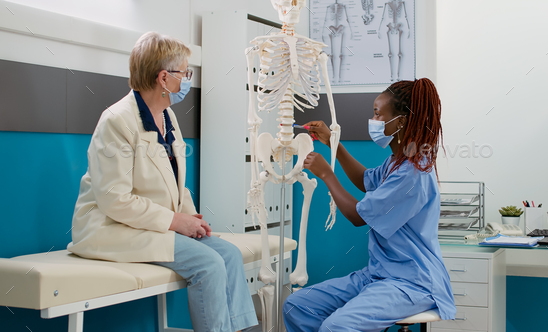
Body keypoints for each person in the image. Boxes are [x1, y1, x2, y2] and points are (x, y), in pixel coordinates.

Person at [67, 32, 257, 332]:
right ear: (164, 78)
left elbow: (175, 182)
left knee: (229, 255)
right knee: (208, 265)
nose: (188, 80)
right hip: (111, 228)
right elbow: (114, 199)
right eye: (185, 73)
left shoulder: (166, 116)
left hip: (152, 225)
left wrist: (190, 218)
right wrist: (175, 221)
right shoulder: (116, 121)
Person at [282, 78, 456, 331]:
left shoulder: (412, 173)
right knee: (297, 305)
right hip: (378, 275)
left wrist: (327, 175)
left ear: (401, 121)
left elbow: (357, 216)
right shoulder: (397, 162)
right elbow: (365, 181)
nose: (372, 120)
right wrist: (333, 143)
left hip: (411, 281)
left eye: (377, 113)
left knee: (336, 326)